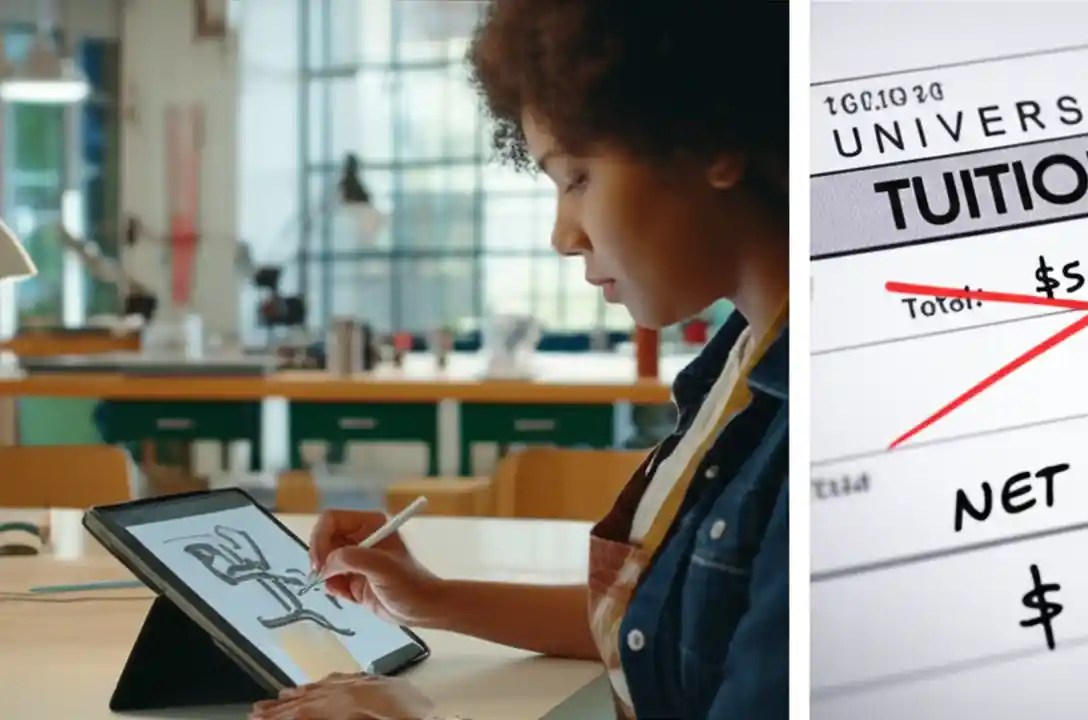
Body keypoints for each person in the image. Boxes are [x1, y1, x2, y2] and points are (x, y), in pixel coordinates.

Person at [249, 1, 787, 718]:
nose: (563, 236)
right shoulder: (739, 366)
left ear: (709, 138)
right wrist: (437, 600)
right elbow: (676, 627)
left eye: (576, 178)